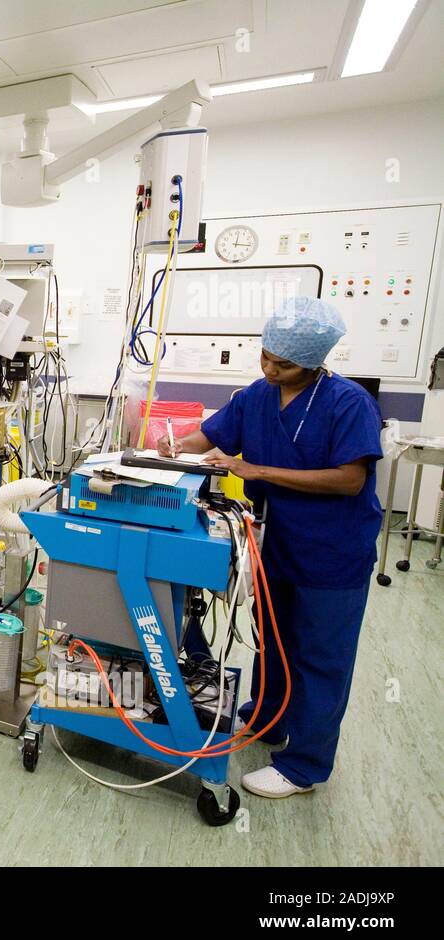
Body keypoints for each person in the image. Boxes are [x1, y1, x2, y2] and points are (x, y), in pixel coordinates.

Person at [162, 296, 382, 799]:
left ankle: (303, 765)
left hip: (332, 550)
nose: (269, 368)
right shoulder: (256, 396)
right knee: (273, 638)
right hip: (273, 542)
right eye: (264, 356)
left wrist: (257, 471)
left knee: (320, 655)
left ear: (313, 359)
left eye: (282, 363)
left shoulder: (348, 403)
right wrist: (172, 446)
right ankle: (267, 716)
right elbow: (211, 436)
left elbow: (350, 479)